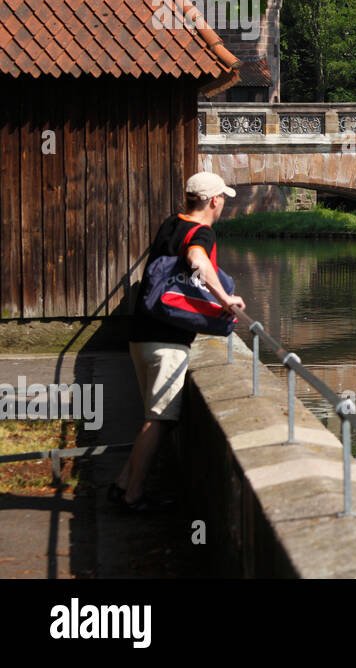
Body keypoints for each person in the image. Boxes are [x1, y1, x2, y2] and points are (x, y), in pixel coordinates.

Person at [111, 172, 244, 512]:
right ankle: (132, 497)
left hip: (140, 335)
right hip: (167, 341)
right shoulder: (201, 232)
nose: (224, 203)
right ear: (214, 200)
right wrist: (226, 299)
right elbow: (197, 261)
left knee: (152, 416)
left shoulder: (172, 223)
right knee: (159, 419)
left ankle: (122, 484)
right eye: (223, 198)